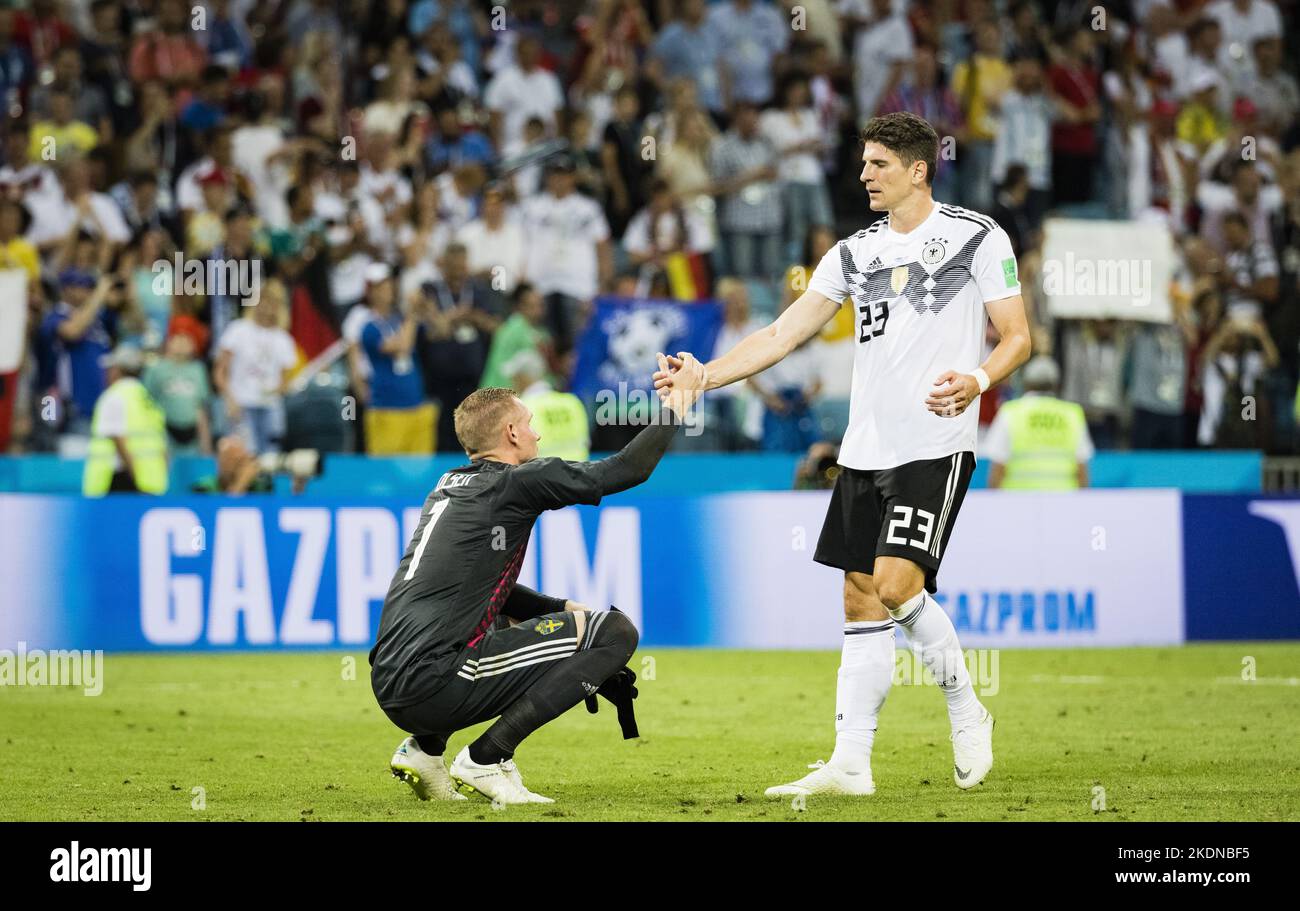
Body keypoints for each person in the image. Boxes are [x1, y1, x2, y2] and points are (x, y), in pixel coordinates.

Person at [656, 111, 1032, 796]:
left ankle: (965, 706)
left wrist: (977, 379)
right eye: (862, 164)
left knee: (895, 586)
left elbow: (1016, 336)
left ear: (918, 169)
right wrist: (704, 374)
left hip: (935, 444)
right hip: (864, 450)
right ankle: (851, 763)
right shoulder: (853, 252)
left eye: (878, 164)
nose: (863, 174)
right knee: (859, 597)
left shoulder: (975, 237)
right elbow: (781, 333)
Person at [371, 359, 706, 805]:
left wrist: (569, 613)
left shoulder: (449, 487)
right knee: (616, 632)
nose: (537, 433)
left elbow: (488, 592)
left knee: (491, 619)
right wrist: (681, 400)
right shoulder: (519, 482)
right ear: (510, 434)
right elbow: (627, 469)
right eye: (529, 424)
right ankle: (487, 758)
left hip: (391, 678)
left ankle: (425, 750)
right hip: (435, 682)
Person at [984, 356, 1093, 489]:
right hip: (1063, 502)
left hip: (1017, 503)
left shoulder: (1011, 412)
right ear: (1056, 384)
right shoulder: (1072, 413)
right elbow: (1082, 472)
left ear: (1026, 383)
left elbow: (997, 469)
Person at [82, 346, 168, 496]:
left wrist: (133, 475)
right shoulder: (147, 398)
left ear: (117, 370)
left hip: (119, 477)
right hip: (150, 480)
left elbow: (117, 438)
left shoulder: (113, 396)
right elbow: (161, 442)